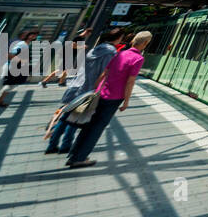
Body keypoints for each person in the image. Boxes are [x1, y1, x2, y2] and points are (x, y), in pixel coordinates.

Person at [67, 30, 152, 168]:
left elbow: (105, 73)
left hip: (101, 92)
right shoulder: (138, 59)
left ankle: (73, 154)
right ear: (146, 43)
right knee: (97, 128)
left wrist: (95, 89)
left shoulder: (120, 53)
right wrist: (126, 101)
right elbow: (130, 82)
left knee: (89, 125)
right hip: (114, 97)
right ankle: (80, 158)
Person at [45, 29, 123, 156]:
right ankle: (66, 145)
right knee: (75, 119)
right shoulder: (110, 53)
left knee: (64, 118)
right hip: (87, 89)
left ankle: (52, 145)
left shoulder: (94, 49)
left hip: (75, 86)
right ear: (119, 38)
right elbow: (105, 73)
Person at [0, 30, 38, 108]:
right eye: (32, 34)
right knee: (0, 84)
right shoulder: (21, 44)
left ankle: (0, 101)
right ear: (27, 36)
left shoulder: (27, 45)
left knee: (13, 85)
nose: (34, 36)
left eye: (35, 35)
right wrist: (22, 60)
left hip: (18, 68)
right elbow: (9, 55)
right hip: (11, 66)